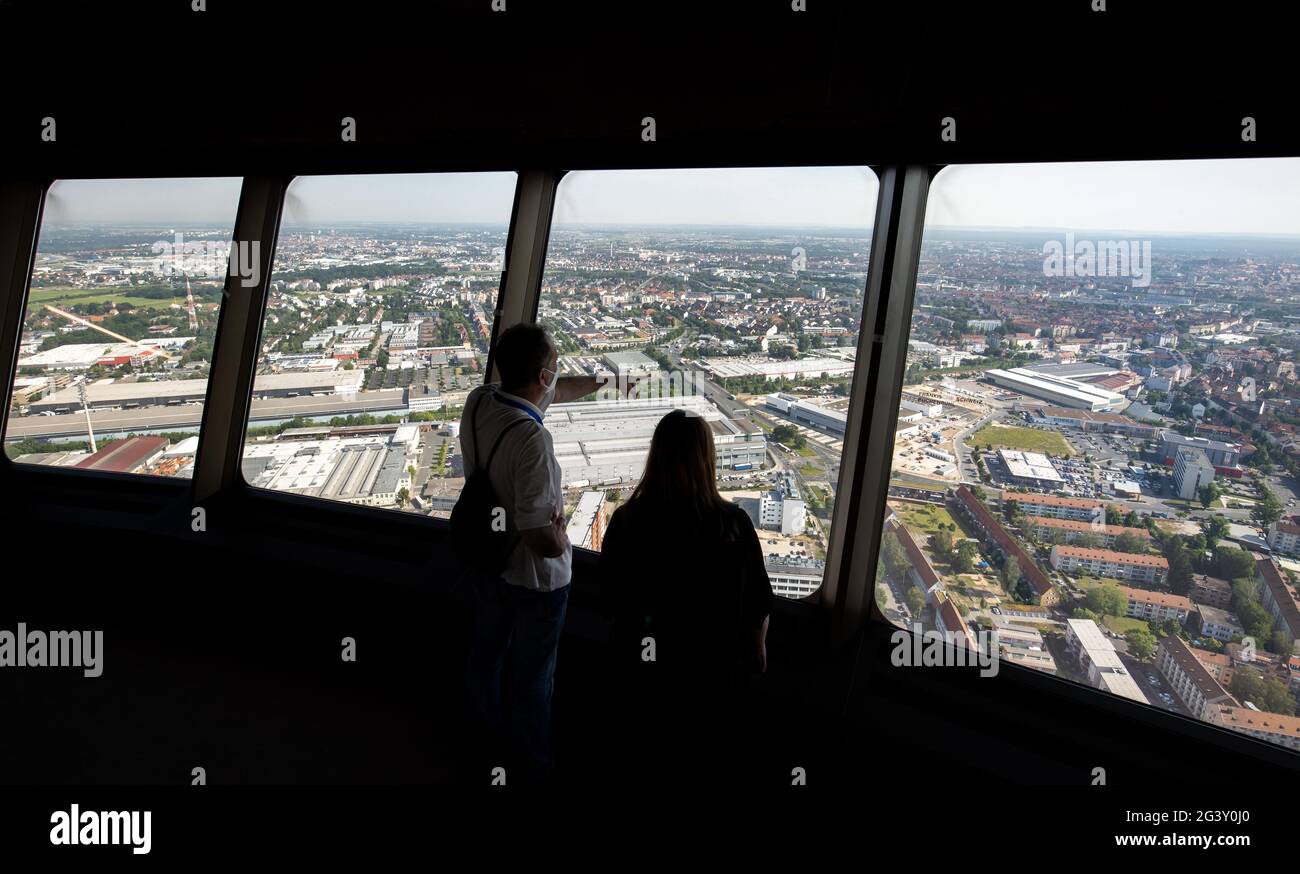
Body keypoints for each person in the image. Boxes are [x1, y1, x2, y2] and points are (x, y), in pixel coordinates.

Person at [460, 322, 622, 781]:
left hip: (487, 561)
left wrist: (605, 381)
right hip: (533, 579)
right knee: (533, 679)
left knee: (485, 659)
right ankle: (531, 764)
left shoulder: (481, 401)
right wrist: (563, 537)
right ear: (542, 376)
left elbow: (557, 391)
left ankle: (481, 741)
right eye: (553, 367)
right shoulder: (533, 441)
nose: (555, 376)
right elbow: (540, 538)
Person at [598, 408, 773, 781]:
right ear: (707, 460)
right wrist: (755, 650)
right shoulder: (733, 525)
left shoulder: (627, 522)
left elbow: (609, 597)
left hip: (641, 677)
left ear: (655, 456)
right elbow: (758, 605)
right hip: (713, 679)